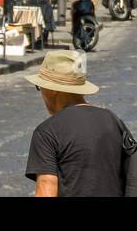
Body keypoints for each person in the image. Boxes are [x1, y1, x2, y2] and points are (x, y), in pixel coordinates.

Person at [26, 51, 126, 197]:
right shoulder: (112, 120)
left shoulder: (48, 132)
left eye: (40, 87)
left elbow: (46, 188)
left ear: (52, 90)